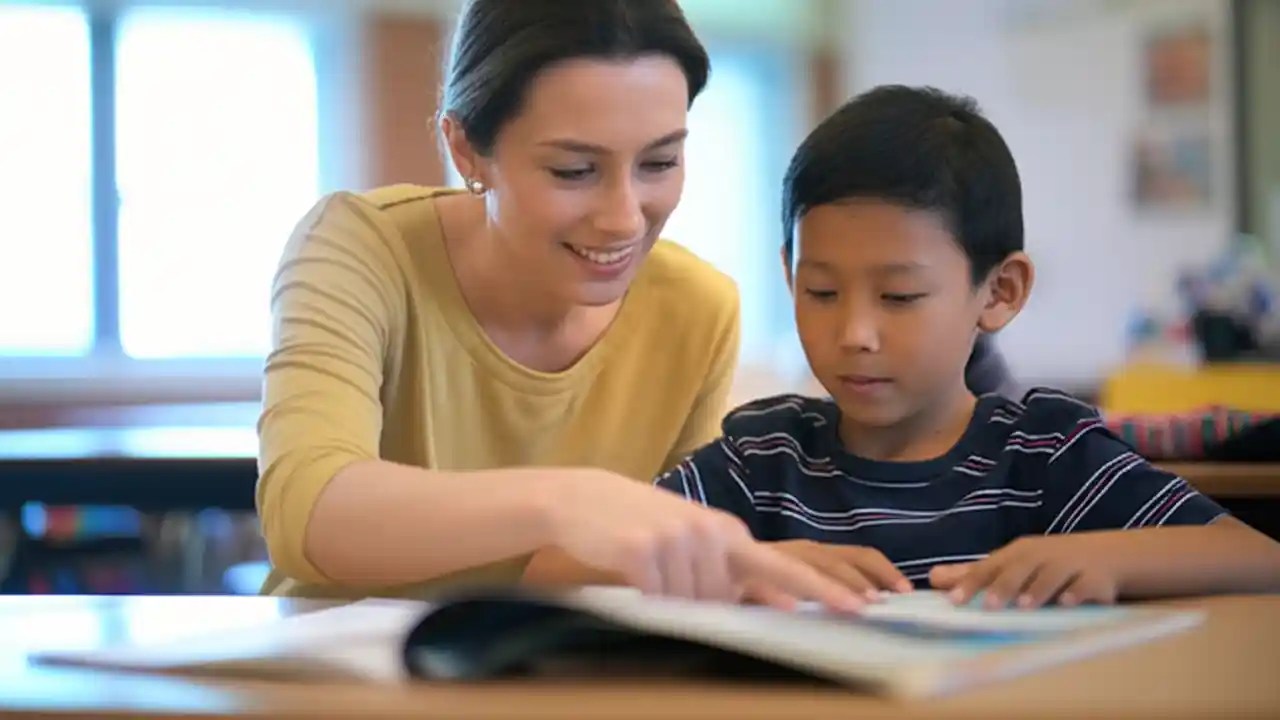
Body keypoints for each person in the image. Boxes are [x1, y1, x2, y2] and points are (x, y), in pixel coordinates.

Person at [254, 0, 861, 611]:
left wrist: (736, 564)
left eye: (660, 162)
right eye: (574, 170)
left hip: (560, 675)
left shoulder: (696, 308)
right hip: (338, 682)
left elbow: (642, 560)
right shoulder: (362, 248)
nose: (624, 218)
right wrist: (568, 505)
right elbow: (308, 512)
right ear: (465, 148)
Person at [642, 85, 1280, 608]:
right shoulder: (764, 458)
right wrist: (737, 565)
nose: (855, 334)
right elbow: (569, 565)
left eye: (899, 297)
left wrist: (1103, 556)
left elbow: (1257, 556)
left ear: (999, 291)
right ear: (789, 276)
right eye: (822, 292)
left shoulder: (1044, 455)